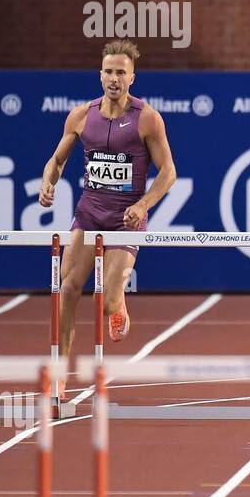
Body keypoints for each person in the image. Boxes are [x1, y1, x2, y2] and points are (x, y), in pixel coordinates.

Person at [38, 40, 178, 396]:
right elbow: (57, 160)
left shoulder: (147, 118)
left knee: (109, 302)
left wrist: (143, 204)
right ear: (100, 75)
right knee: (67, 289)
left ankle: (119, 306)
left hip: (125, 221)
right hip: (88, 214)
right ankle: (60, 374)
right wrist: (47, 182)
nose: (114, 78)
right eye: (108, 71)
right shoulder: (82, 116)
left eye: (121, 72)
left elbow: (168, 173)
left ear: (132, 77)